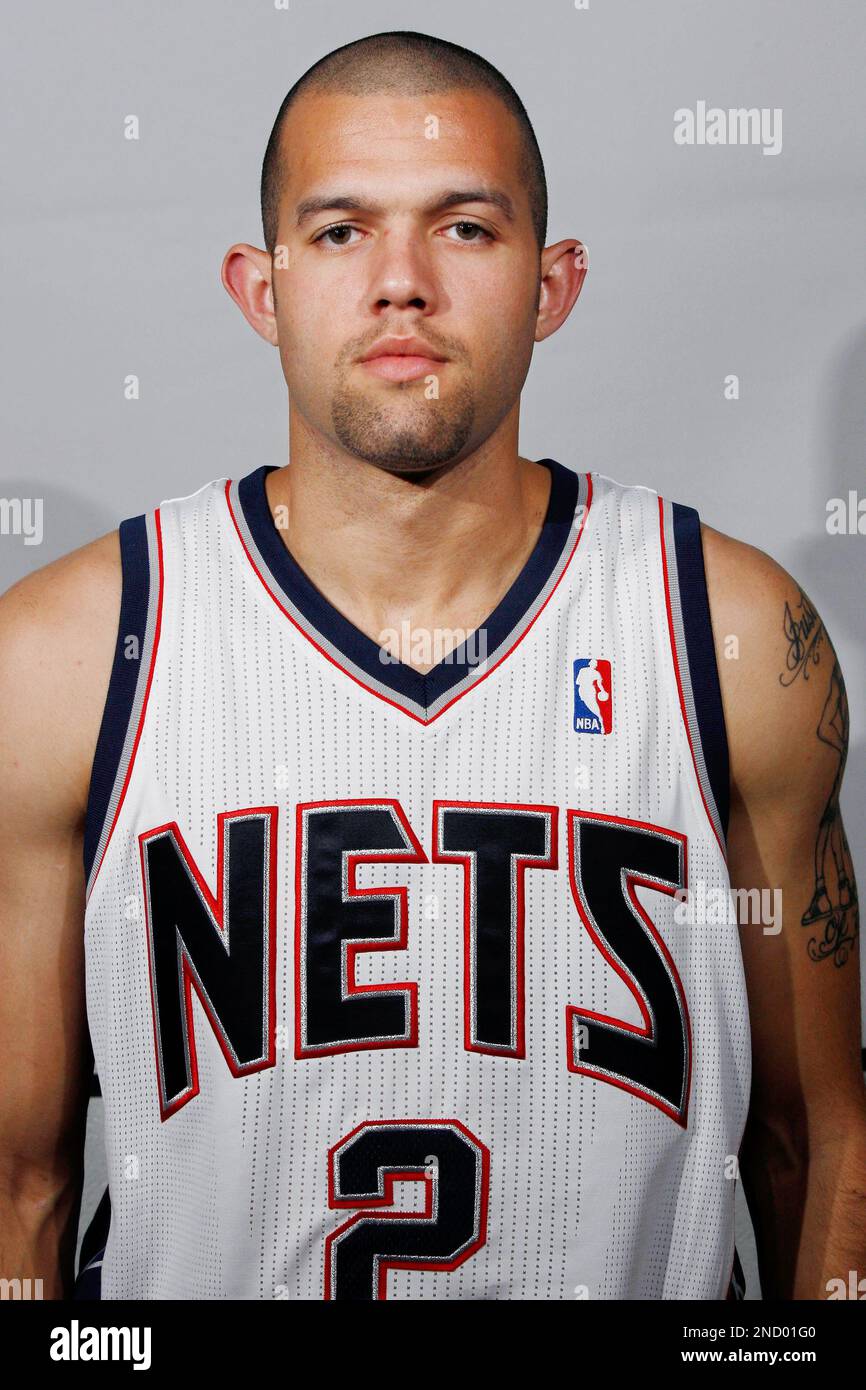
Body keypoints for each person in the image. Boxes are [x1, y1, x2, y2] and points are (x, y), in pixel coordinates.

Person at [1, 29, 862, 1302]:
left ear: (551, 284)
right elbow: (18, 1183)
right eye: (340, 232)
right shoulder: (70, 653)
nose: (400, 283)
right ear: (261, 287)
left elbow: (819, 1142)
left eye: (464, 228)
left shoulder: (724, 630)